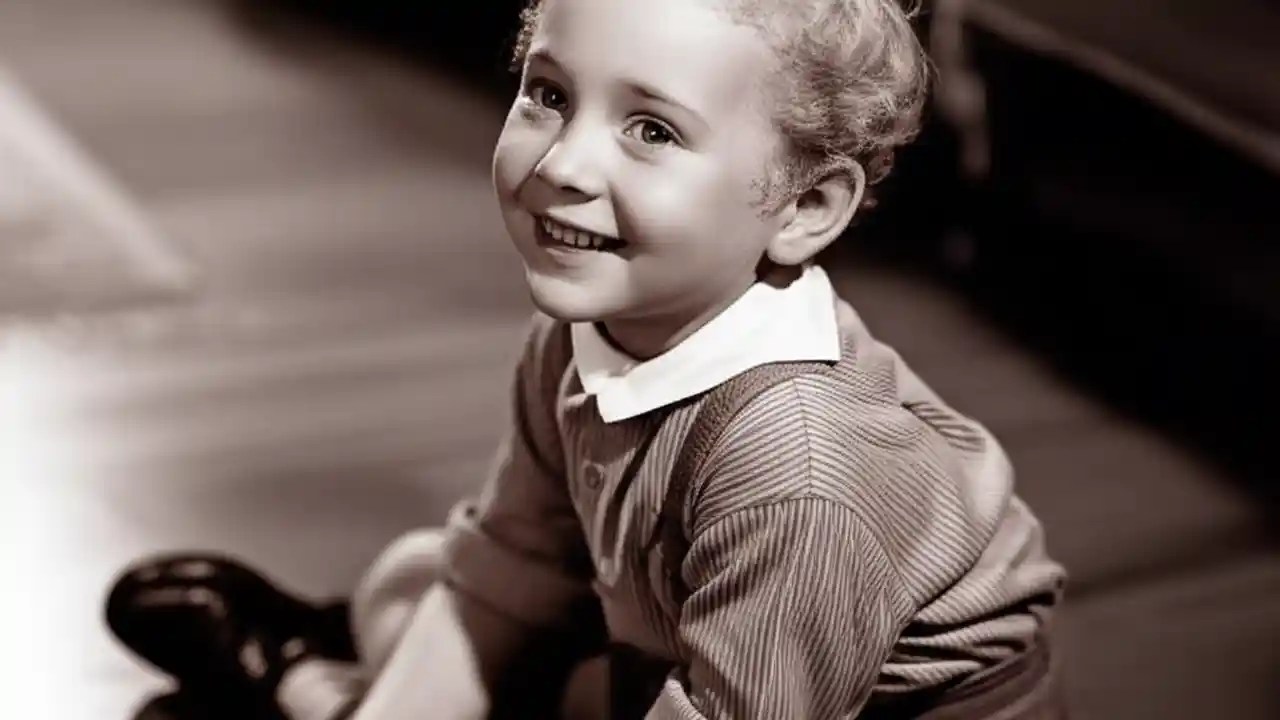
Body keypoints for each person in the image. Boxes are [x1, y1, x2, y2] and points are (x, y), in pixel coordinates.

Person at [107, 0, 1068, 718]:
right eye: (548, 94)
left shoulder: (797, 475)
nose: (562, 164)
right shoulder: (587, 331)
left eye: (651, 129)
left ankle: (299, 678)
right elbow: (513, 565)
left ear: (806, 208)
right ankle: (332, 667)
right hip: (666, 641)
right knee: (420, 579)